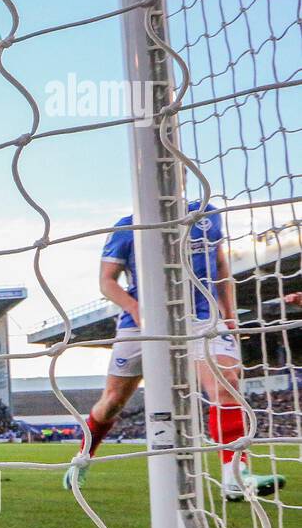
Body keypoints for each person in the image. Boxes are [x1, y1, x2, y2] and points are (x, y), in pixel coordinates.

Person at [66, 202, 285, 500]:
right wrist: (135, 307)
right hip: (141, 321)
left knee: (226, 384)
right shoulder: (127, 227)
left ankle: (234, 475)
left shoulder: (207, 215)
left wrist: (230, 314)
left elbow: (220, 267)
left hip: (201, 316)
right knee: (113, 401)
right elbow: (106, 281)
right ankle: (83, 456)